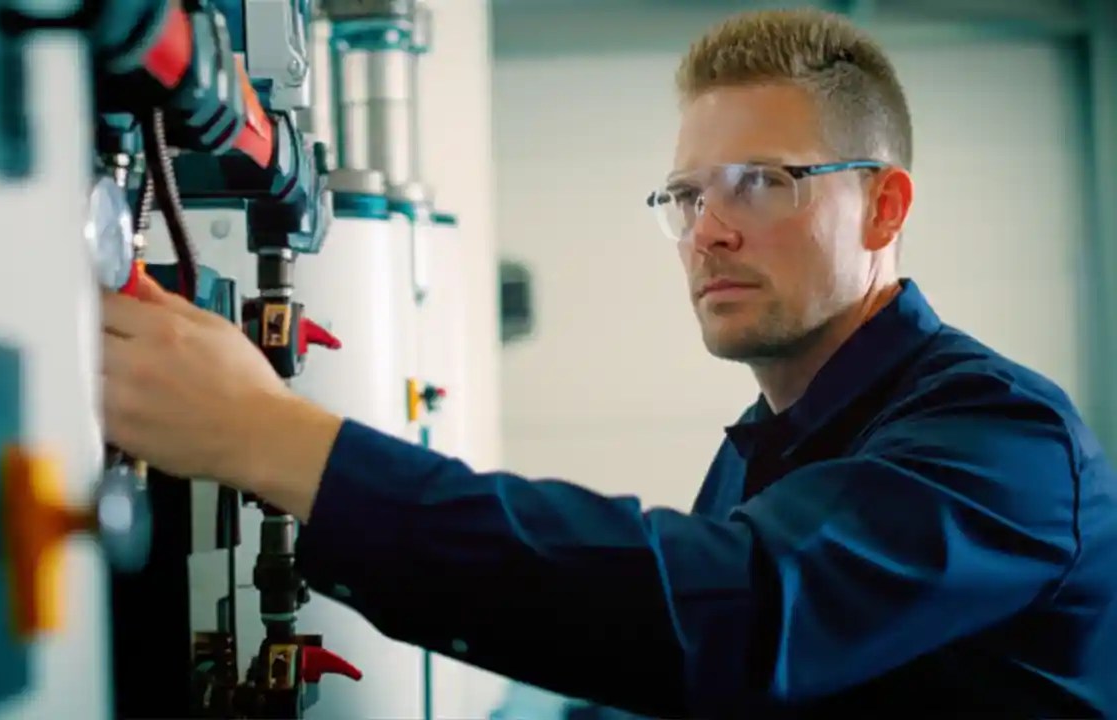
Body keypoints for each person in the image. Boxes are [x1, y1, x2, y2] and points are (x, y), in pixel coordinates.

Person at [100, 8, 1117, 717]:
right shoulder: (769, 443)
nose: (706, 232)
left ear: (883, 206)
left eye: (759, 184)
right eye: (684, 196)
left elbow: (728, 616)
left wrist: (276, 441)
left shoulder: (1003, 443)